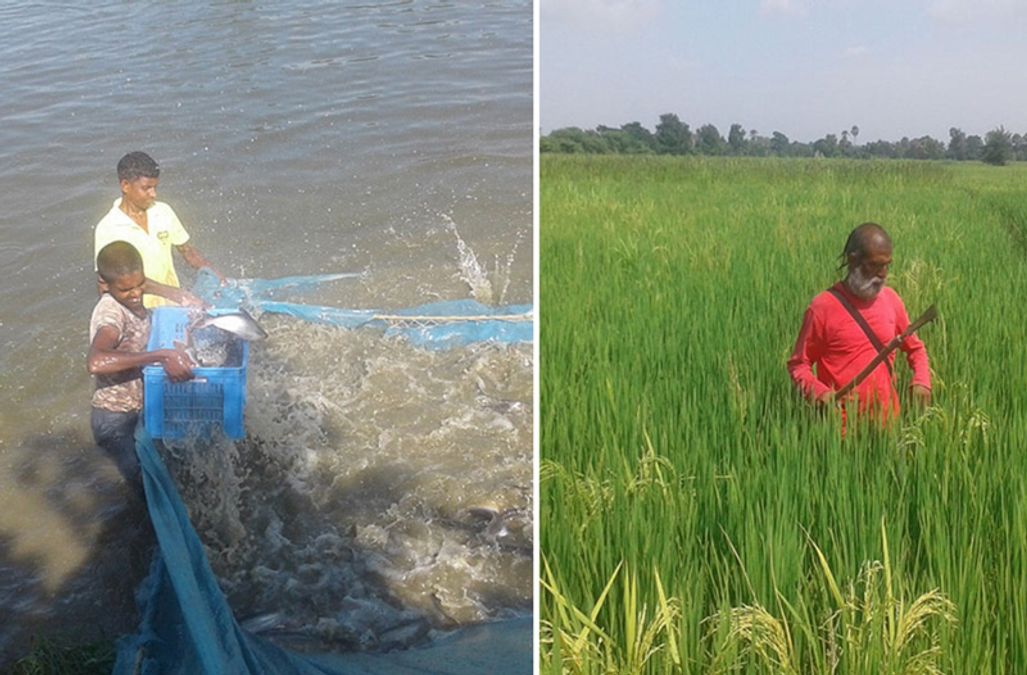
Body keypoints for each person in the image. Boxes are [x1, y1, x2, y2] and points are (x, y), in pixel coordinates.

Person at [788, 222, 931, 423]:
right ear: (853, 260)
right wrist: (819, 393)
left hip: (887, 426)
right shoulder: (823, 308)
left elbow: (915, 349)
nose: (882, 274)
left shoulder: (891, 300)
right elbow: (798, 365)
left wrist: (922, 381)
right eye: (874, 265)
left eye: (887, 265)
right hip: (840, 432)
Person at [89, 241, 194, 488]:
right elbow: (96, 361)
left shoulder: (129, 292)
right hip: (115, 420)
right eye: (127, 290)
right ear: (104, 284)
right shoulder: (111, 315)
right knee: (147, 485)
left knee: (170, 471)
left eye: (140, 285)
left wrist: (179, 295)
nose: (136, 294)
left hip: (140, 408)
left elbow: (137, 284)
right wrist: (161, 355)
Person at [94, 151, 225, 308]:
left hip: (172, 304)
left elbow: (188, 252)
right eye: (146, 188)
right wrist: (176, 294)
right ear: (125, 186)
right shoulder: (108, 228)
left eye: (155, 187)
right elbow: (106, 283)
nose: (153, 194)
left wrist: (218, 277)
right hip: (138, 310)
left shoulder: (163, 211)